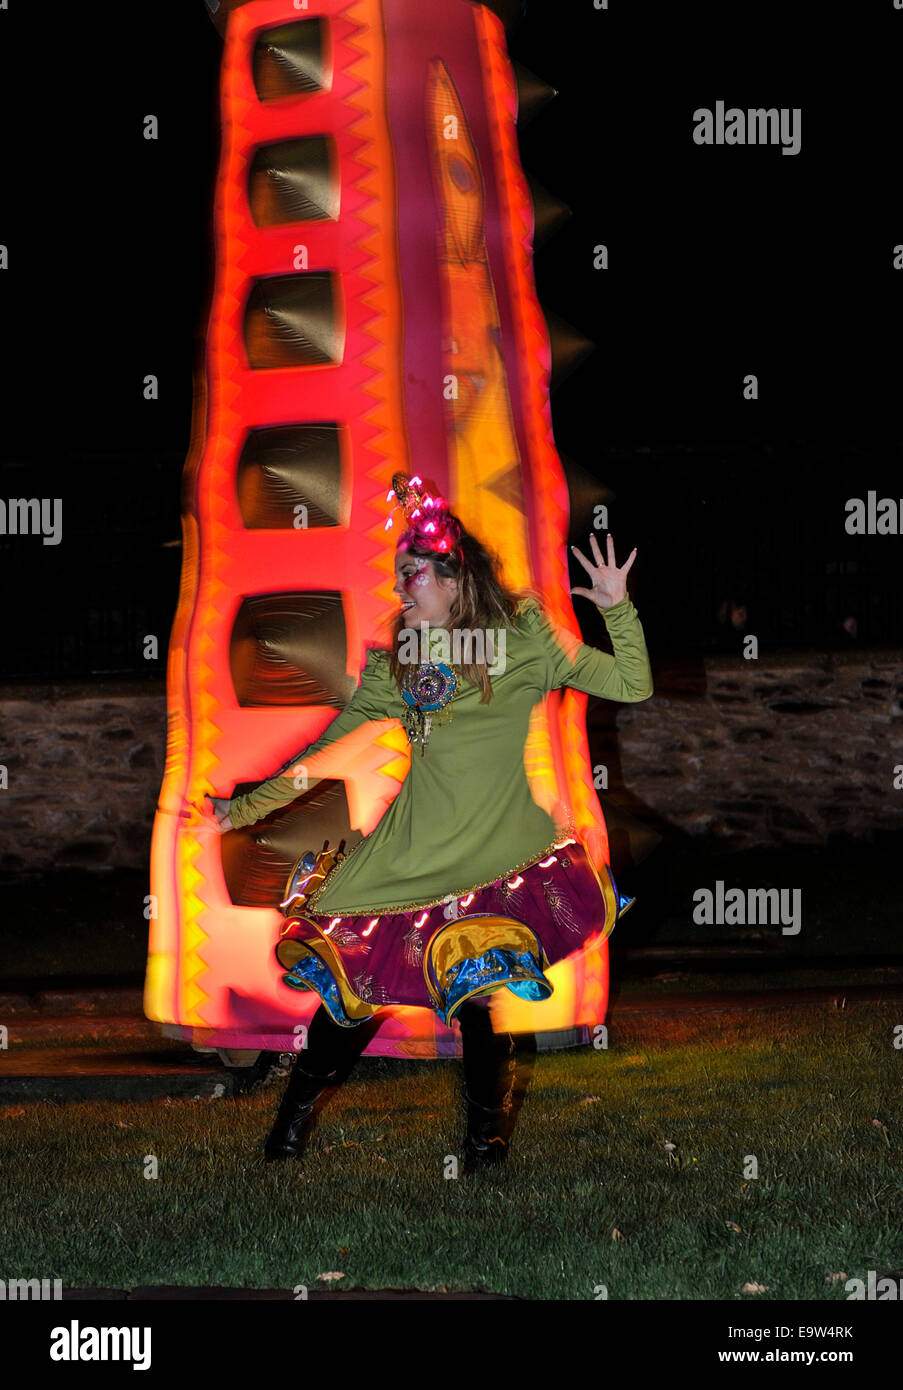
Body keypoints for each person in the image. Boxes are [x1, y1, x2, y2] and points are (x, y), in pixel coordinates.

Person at [208, 473, 653, 1171]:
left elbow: (632, 685)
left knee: (475, 996)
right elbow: (324, 749)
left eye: (410, 575)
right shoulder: (399, 666)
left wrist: (616, 609)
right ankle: (288, 1129)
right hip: (407, 859)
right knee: (353, 997)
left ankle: (485, 1143)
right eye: (396, 577)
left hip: (492, 855)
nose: (398, 590)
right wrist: (245, 805)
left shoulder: (525, 640)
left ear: (454, 579)